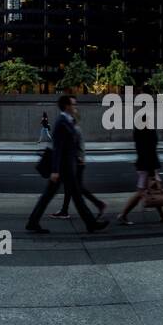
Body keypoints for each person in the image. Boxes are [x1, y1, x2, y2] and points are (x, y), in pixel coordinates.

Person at [29, 94, 107, 233]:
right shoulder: (61, 122)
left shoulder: (67, 120)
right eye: (73, 104)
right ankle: (90, 224)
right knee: (58, 196)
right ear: (66, 106)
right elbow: (57, 148)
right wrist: (55, 170)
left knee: (72, 196)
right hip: (62, 168)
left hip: (66, 167)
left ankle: (90, 223)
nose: (75, 106)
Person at [117, 123, 163, 225]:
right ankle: (123, 215)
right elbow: (151, 151)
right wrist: (152, 172)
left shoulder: (139, 133)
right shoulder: (148, 134)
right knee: (142, 193)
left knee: (154, 191)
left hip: (144, 166)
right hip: (147, 168)